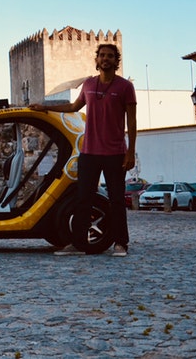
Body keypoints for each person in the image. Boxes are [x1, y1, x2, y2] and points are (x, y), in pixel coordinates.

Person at [29, 43, 137, 257]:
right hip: (89, 152)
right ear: (97, 60)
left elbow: (132, 123)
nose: (105, 59)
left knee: (116, 200)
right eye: (102, 56)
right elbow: (73, 107)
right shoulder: (88, 84)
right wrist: (45, 107)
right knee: (83, 199)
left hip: (116, 153)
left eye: (110, 56)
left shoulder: (125, 87)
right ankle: (78, 244)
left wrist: (130, 151)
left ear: (117, 61)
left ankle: (120, 243)